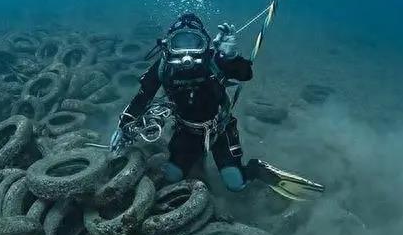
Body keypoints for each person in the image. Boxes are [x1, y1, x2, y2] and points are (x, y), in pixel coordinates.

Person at [111, 13, 323, 199]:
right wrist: (123, 126)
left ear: (205, 44)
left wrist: (231, 57)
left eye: (194, 43)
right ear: (168, 44)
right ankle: (196, 161)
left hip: (220, 130)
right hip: (185, 131)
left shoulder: (214, 60)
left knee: (235, 184)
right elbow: (142, 98)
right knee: (172, 177)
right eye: (180, 43)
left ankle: (257, 169)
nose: (187, 53)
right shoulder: (163, 67)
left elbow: (245, 74)